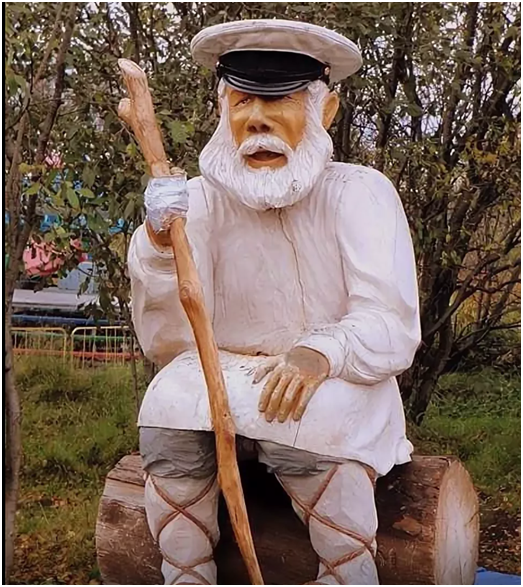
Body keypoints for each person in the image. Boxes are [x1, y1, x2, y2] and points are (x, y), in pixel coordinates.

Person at [128, 19, 421, 586]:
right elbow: (170, 337)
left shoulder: (359, 193)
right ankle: (185, 575)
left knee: (313, 415)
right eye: (242, 101)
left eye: (279, 101)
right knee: (168, 399)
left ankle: (346, 574)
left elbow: (390, 321)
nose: (256, 119)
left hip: (333, 375)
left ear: (324, 112)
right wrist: (162, 247)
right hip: (223, 375)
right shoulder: (199, 201)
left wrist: (321, 352)